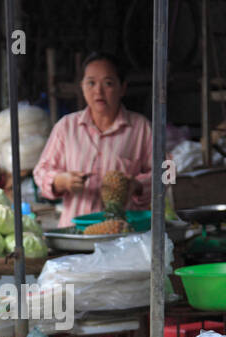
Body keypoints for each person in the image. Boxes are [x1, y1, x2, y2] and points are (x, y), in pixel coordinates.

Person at [33, 53, 152, 221]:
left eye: (108, 83)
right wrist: (61, 181)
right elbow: (41, 171)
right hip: (75, 230)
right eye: (91, 83)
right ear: (82, 86)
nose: (98, 91)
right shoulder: (66, 127)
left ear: (123, 88)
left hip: (123, 232)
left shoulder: (141, 128)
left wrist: (138, 185)